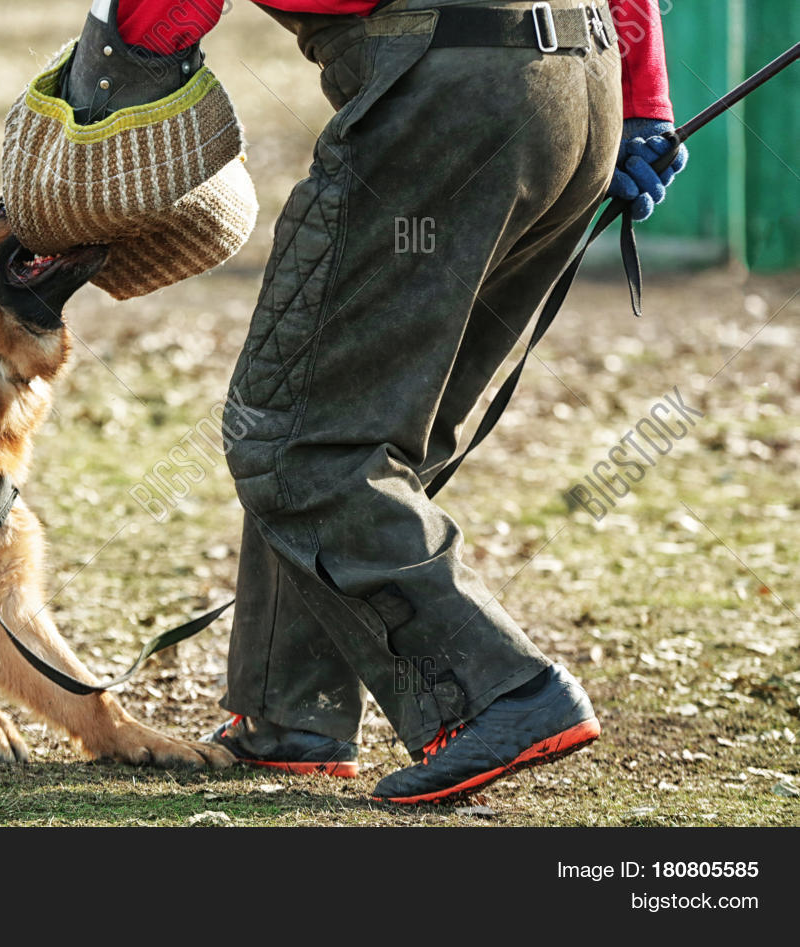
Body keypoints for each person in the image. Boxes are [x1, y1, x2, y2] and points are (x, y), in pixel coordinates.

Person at [54, 0, 686, 803]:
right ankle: (294, 715)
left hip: (454, 92)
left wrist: (96, 112)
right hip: (578, 83)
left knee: (298, 436)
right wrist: (643, 101)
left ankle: (501, 690)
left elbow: (159, 16)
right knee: (350, 407)